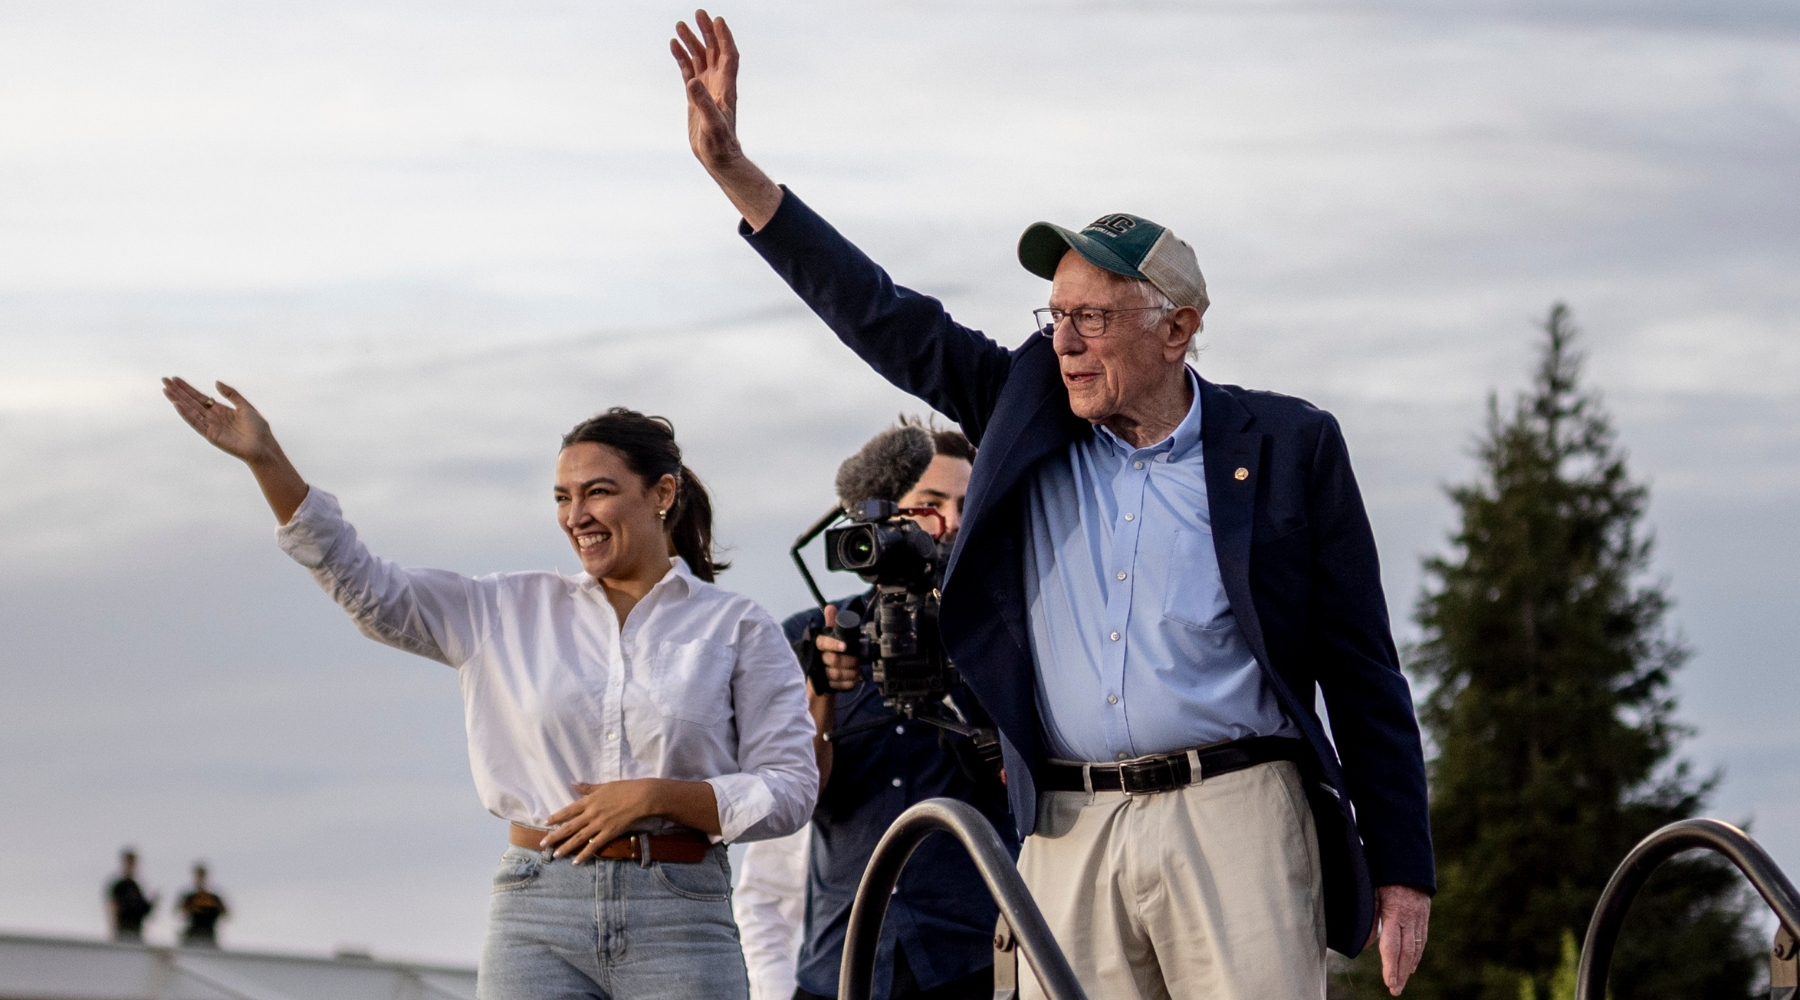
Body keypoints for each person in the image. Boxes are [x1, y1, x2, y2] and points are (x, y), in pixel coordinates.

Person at [670, 13, 1434, 1000]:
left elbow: (1365, 668)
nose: (1066, 340)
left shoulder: (1288, 445)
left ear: (1178, 329)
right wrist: (737, 173)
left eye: (1093, 317)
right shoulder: (1028, 409)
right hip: (1068, 824)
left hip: (1237, 813)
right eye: (1056, 316)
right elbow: (883, 313)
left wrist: (1403, 863)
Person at [161, 381, 818, 999]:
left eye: (597, 492)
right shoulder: (506, 608)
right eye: (562, 497)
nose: (577, 516)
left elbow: (792, 788)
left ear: (662, 494)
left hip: (683, 912)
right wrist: (268, 462)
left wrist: (658, 796)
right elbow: (369, 591)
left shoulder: (737, 626)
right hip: (536, 913)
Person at [781, 419, 1017, 1000]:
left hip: (976, 956)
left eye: (966, 505)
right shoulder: (814, 636)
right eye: (929, 506)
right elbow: (788, 799)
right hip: (843, 958)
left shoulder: (1007, 633)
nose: (952, 524)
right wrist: (821, 693)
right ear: (878, 521)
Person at [106, 848, 156, 943]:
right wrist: (113, 929)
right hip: (123, 929)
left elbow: (144, 910)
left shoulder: (136, 887)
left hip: (136, 930)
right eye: (130, 863)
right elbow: (113, 907)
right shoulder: (119, 886)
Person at [178, 864, 227, 948]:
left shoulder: (213, 898)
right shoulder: (190, 898)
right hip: (193, 934)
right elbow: (180, 913)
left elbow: (225, 913)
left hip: (209, 934)